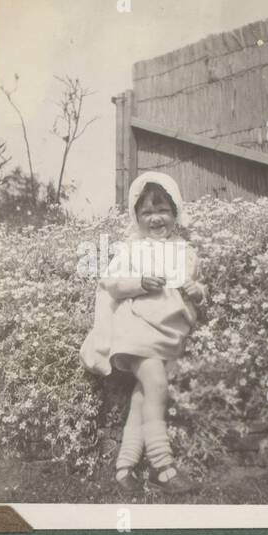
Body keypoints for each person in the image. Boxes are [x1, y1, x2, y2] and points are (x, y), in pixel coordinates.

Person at [80, 171, 206, 494]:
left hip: (166, 334)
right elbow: (112, 283)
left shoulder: (184, 251)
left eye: (162, 209)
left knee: (143, 396)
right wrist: (139, 282)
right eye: (147, 212)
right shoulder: (132, 250)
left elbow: (194, 289)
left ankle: (124, 467)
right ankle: (162, 467)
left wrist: (196, 291)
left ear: (175, 212)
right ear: (136, 217)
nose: (155, 218)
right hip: (136, 330)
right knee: (156, 382)